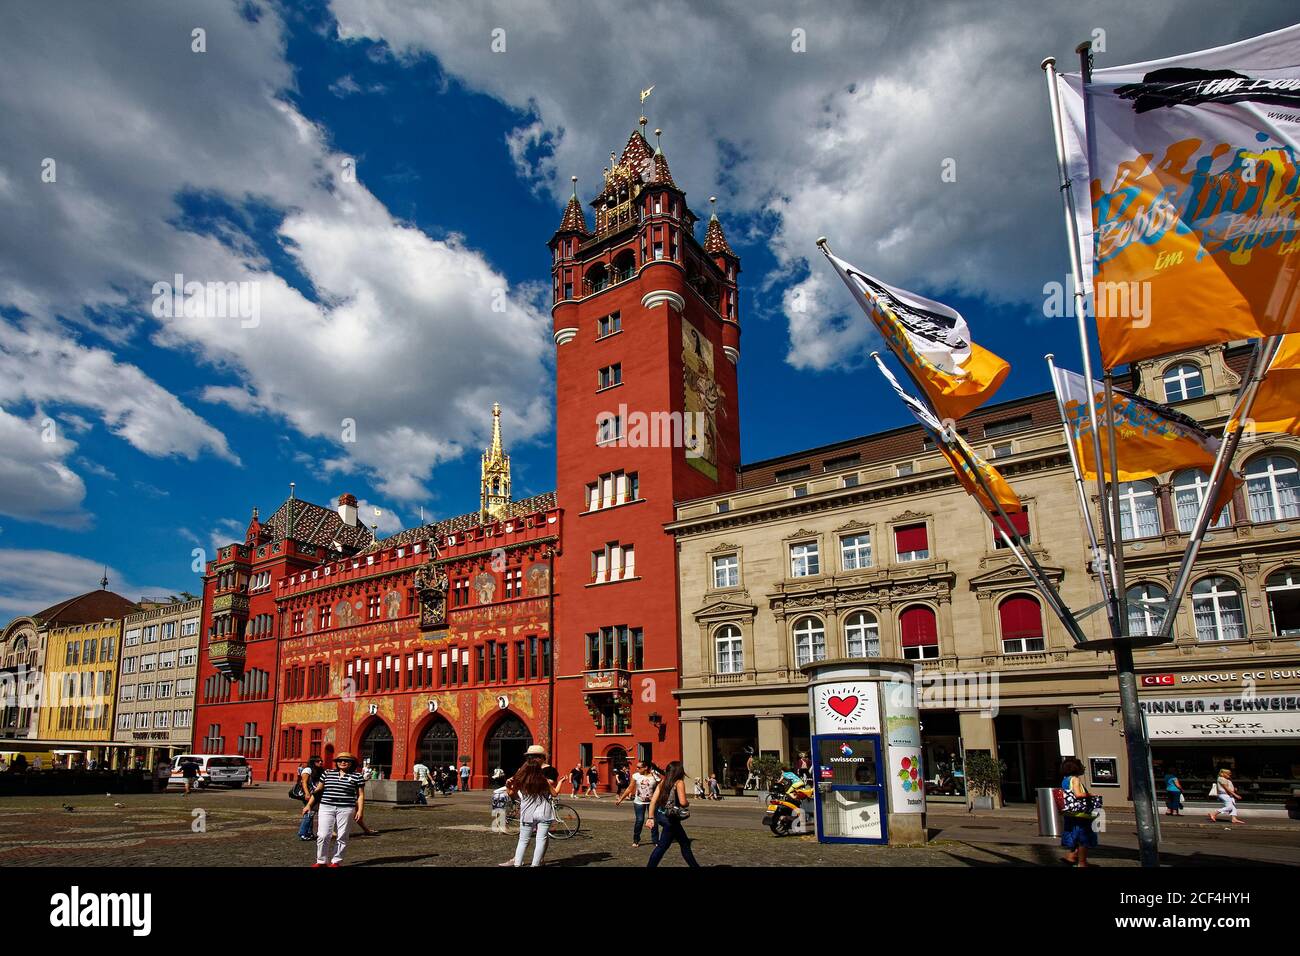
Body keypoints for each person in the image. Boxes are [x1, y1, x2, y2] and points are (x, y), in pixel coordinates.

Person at [304, 752, 366, 867]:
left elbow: (361, 795)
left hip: (346, 808)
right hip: (326, 807)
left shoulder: (357, 776)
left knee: (342, 835)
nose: (343, 762)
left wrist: (360, 811)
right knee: (323, 835)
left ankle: (336, 861)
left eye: (346, 760)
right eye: (340, 760)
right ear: (336, 762)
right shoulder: (327, 773)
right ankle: (321, 861)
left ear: (352, 763)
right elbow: (318, 791)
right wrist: (309, 805)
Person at [501, 754, 560, 867]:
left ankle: (517, 864)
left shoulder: (521, 781)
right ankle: (535, 864)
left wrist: (508, 786)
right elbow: (554, 794)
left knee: (523, 841)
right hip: (544, 812)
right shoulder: (544, 780)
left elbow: (512, 795)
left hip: (527, 813)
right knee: (541, 840)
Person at [646, 761, 699, 868]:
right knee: (663, 847)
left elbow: (653, 802)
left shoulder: (662, 782)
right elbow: (683, 802)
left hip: (662, 816)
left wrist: (650, 818)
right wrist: (688, 803)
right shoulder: (679, 783)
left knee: (683, 843)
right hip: (671, 819)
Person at [1060, 757, 1098, 867]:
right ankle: (1082, 862)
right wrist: (1090, 795)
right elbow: (1078, 794)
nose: (1083, 768)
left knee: (1075, 835)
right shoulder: (1075, 779)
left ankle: (1071, 857)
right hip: (1080, 813)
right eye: (1081, 765)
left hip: (1070, 812)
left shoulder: (1065, 779)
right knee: (1083, 837)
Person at [616, 759, 661, 848]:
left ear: (645, 768)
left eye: (639, 767)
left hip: (652, 802)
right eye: (636, 767)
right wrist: (621, 799)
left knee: (654, 821)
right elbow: (629, 788)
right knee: (639, 821)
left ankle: (655, 840)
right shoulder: (636, 776)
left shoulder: (654, 776)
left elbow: (661, 787)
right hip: (639, 802)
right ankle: (636, 840)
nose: (637, 769)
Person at [297, 756, 324, 840]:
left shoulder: (320, 770)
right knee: (309, 813)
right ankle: (303, 833)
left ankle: (309, 833)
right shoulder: (308, 770)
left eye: (321, 761)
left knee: (311, 813)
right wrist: (307, 793)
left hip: (316, 794)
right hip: (309, 794)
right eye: (318, 761)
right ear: (313, 762)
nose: (320, 762)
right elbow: (304, 782)